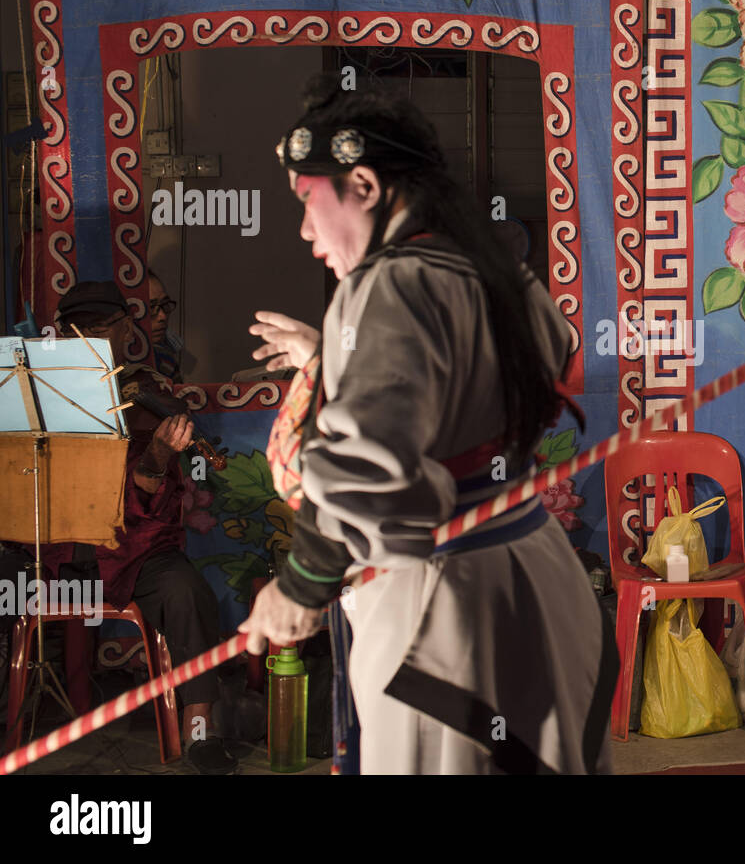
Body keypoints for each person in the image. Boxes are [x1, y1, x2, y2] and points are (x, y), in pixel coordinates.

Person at [240, 77, 617, 774]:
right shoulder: (499, 271)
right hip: (533, 572)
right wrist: (330, 356)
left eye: (306, 200)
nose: (303, 231)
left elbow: (367, 459)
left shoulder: (387, 285)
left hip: (444, 606)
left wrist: (299, 583)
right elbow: (467, 394)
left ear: (362, 185)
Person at [20, 282, 236, 772]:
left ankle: (200, 730)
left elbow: (149, 501)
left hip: (130, 553)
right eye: (85, 334)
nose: (96, 343)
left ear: (123, 331)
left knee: (186, 590)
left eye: (104, 331)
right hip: (53, 551)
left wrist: (159, 454)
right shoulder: (36, 391)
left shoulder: (148, 393)